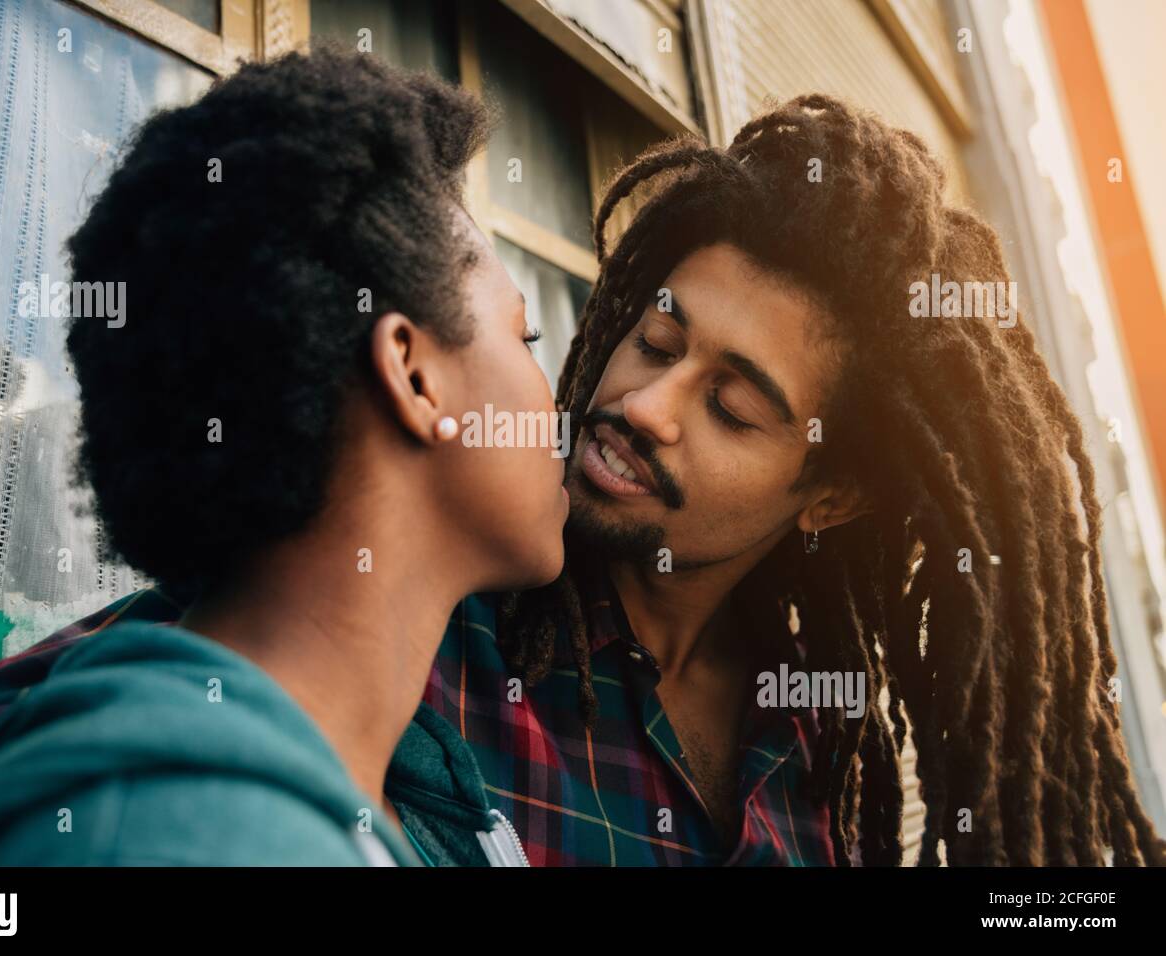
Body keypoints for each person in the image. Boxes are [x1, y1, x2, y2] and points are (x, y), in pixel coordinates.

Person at [422, 94, 1166, 867]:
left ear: (831, 499)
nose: (644, 407)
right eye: (656, 340)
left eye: (731, 408)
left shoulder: (811, 733)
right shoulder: (448, 623)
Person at [0, 45, 564, 867]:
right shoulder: (173, 837)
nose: (560, 404)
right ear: (413, 374)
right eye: (527, 335)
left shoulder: (402, 808)